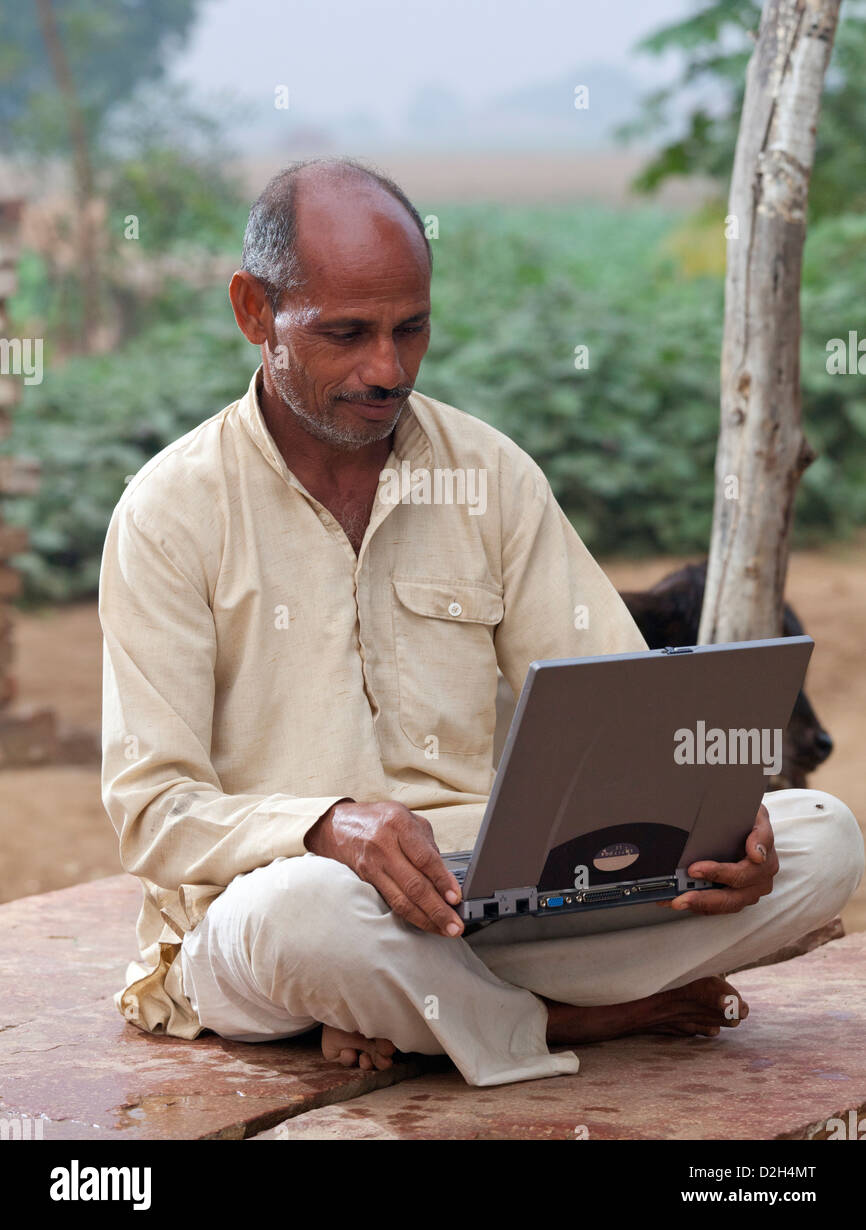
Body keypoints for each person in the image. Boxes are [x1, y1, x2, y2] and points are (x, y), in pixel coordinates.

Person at [100, 158, 864, 1088]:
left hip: (492, 901)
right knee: (307, 916)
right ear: (255, 313)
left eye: (410, 330)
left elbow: (626, 707)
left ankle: (456, 1019)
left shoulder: (490, 475)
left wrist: (717, 822)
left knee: (823, 833)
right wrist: (327, 826)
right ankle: (578, 1019)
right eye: (347, 334)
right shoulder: (168, 512)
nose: (388, 370)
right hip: (286, 917)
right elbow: (155, 813)